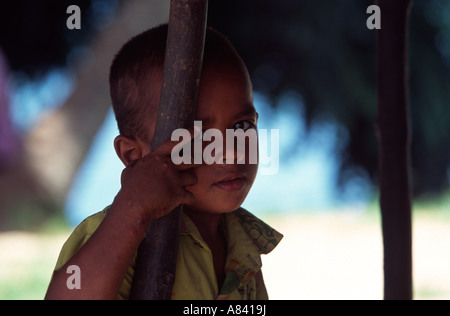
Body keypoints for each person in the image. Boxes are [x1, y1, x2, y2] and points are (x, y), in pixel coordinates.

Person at [45, 24, 282, 300]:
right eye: (199, 136)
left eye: (241, 126)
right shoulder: (119, 235)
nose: (231, 151)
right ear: (134, 156)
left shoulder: (241, 244)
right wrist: (132, 210)